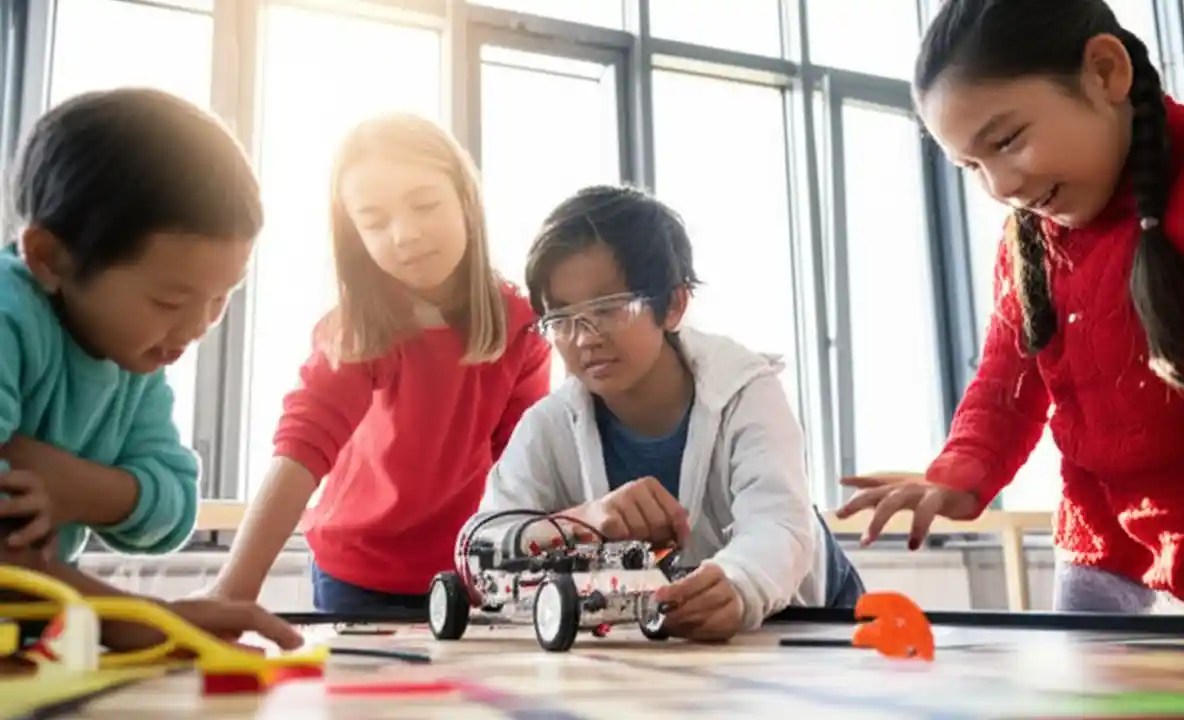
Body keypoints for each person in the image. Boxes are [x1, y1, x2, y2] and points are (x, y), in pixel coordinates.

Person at [838, 0, 1184, 614]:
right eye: (972, 166)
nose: (1001, 187)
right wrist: (958, 474)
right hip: (1105, 563)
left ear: (1105, 73)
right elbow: (1003, 382)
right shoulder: (1031, 240)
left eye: (1008, 140)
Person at [480, 185, 863, 642]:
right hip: (666, 633)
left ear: (675, 305)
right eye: (561, 318)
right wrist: (578, 522)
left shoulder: (745, 390)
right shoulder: (549, 426)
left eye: (608, 310)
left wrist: (739, 583)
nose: (583, 339)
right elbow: (482, 543)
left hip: (808, 616)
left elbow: (779, 523)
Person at [206, 114, 551, 613]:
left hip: (469, 575)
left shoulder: (520, 327)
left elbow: (521, 468)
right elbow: (302, 449)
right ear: (355, 238)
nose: (405, 234)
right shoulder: (357, 329)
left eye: (425, 204)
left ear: (466, 200)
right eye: (373, 221)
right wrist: (232, 588)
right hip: (356, 572)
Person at [0, 87, 301, 650]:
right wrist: (153, 622)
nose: (197, 327)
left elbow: (174, 507)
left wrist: (73, 487)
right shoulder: (8, 312)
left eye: (221, 299)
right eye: (169, 301)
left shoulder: (133, 355)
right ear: (48, 259)